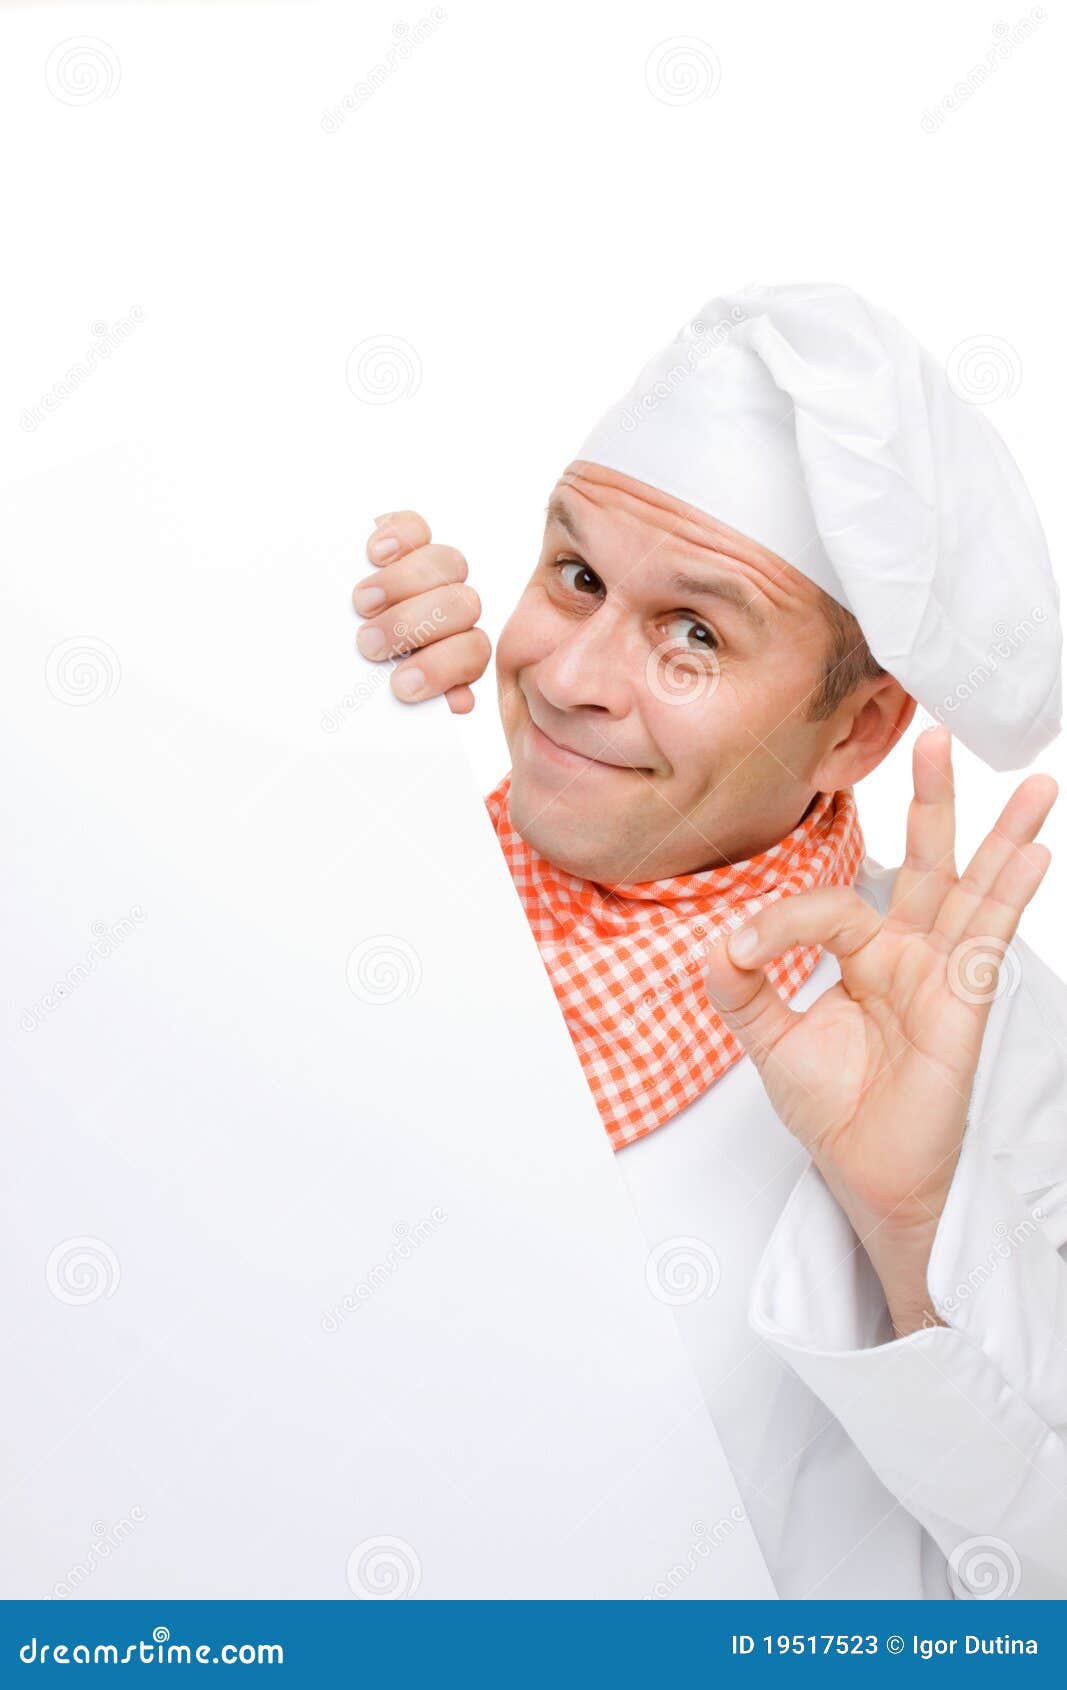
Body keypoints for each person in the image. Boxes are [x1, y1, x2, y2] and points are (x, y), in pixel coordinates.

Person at [353, 284, 1067, 1600]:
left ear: (855, 734)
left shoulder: (986, 1030)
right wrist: (303, 741)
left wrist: (916, 1228)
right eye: (576, 577)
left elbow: (1044, 1574)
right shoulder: (390, 864)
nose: (569, 676)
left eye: (695, 631)